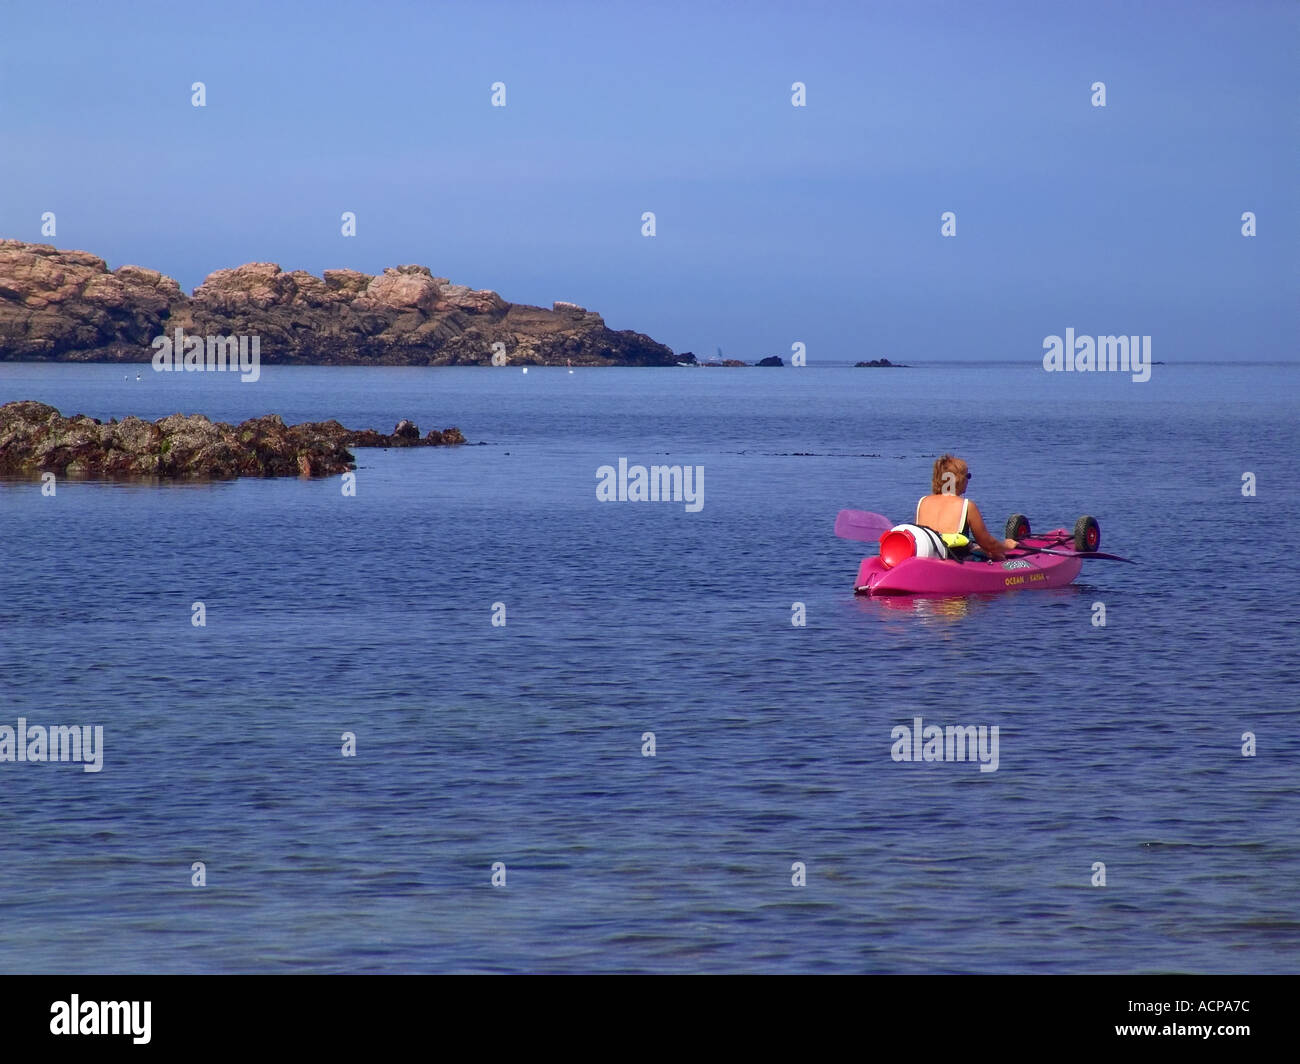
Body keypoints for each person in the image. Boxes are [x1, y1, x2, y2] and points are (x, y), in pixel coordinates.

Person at [915, 454, 1017, 560]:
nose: (968, 480)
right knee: (997, 556)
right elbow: (988, 544)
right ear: (958, 479)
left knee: (979, 550)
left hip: (929, 558)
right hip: (954, 563)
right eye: (967, 476)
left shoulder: (923, 502)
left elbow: (940, 539)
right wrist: (1006, 546)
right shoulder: (967, 506)